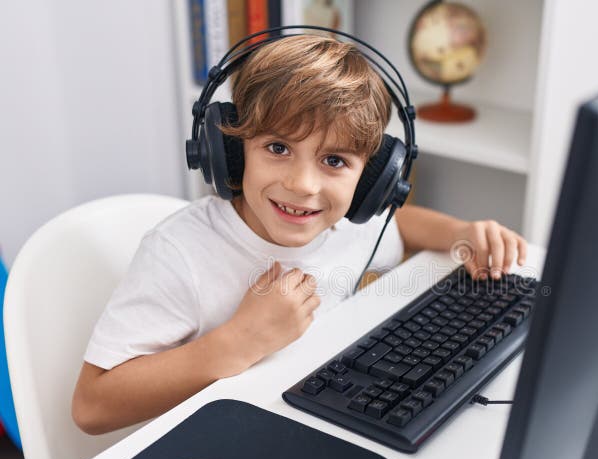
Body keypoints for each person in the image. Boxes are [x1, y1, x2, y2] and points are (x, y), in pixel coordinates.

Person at [71, 35, 527, 435]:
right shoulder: (181, 253)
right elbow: (92, 407)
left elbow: (403, 226)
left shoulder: (346, 226)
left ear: (371, 183)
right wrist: (236, 343)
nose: (303, 185)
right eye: (277, 148)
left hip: (305, 422)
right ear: (229, 150)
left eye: (334, 161)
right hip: (215, 448)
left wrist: (461, 232)